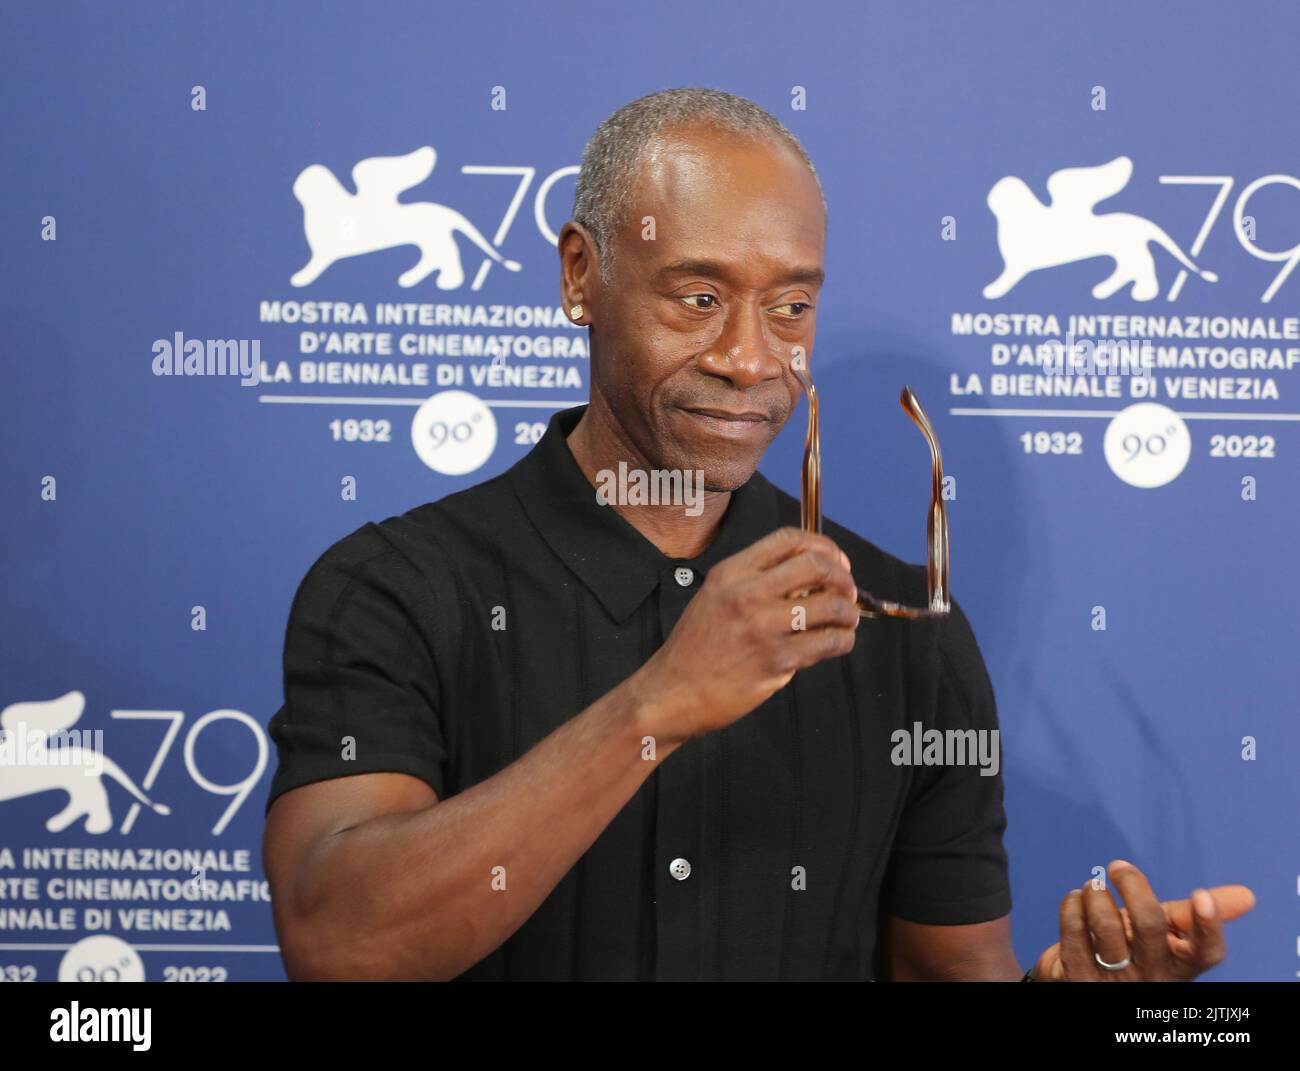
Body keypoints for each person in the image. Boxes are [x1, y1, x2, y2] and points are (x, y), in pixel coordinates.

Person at [261, 87, 1254, 981]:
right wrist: (658, 701)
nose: (750, 359)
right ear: (579, 276)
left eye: (790, 308)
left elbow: (951, 971)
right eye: (698, 300)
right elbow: (343, 943)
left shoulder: (906, 628)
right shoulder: (392, 589)